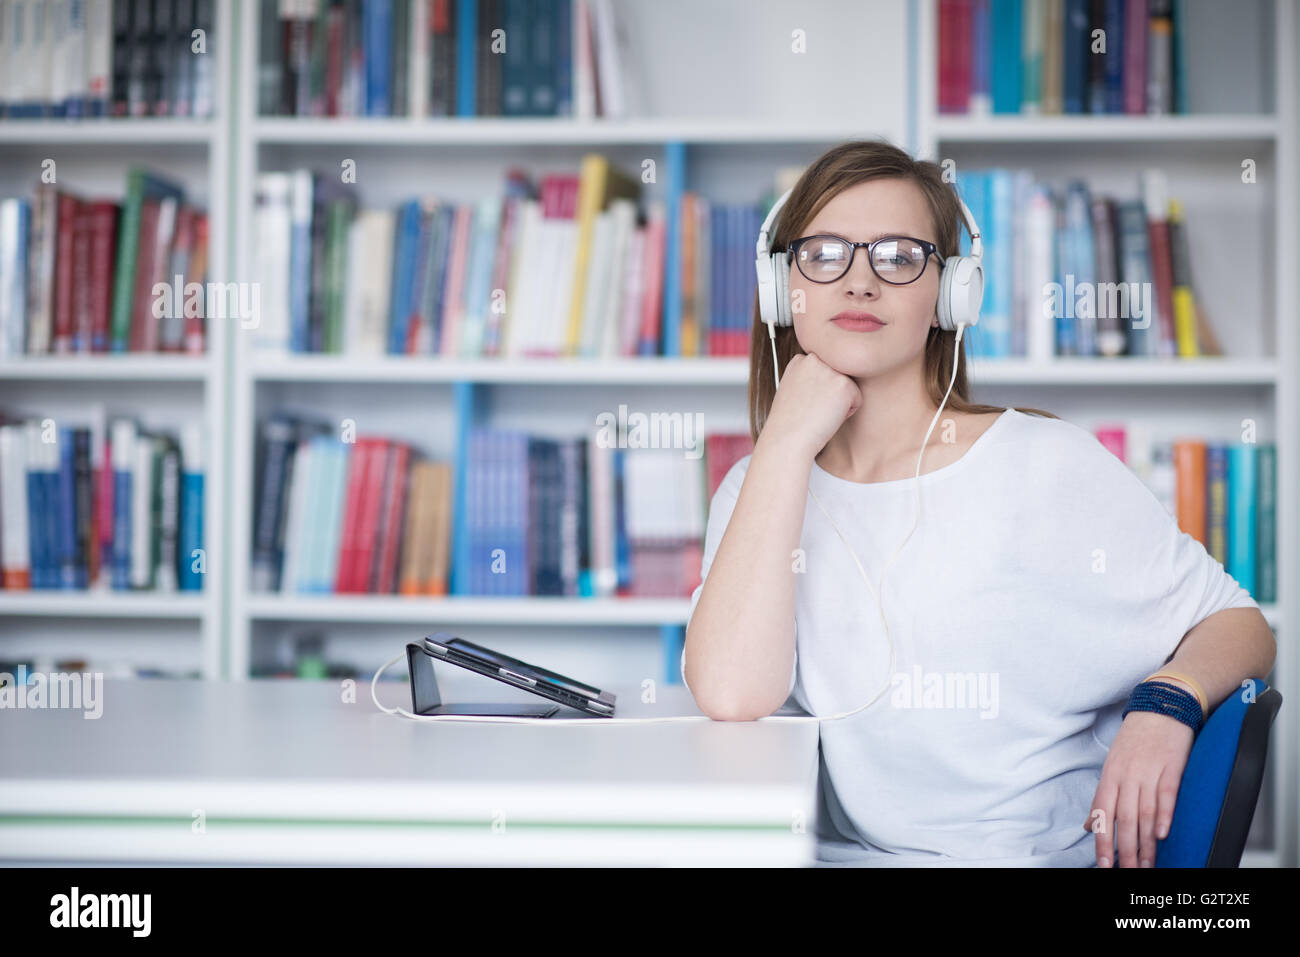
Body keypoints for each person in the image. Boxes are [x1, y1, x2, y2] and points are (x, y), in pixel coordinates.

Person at [681, 140, 1276, 867]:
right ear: (782, 290)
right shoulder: (760, 488)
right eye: (825, 253)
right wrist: (783, 445)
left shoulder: (1040, 464)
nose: (860, 282)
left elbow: (1239, 622)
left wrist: (1169, 700)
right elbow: (734, 692)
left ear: (952, 293)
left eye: (899, 257)